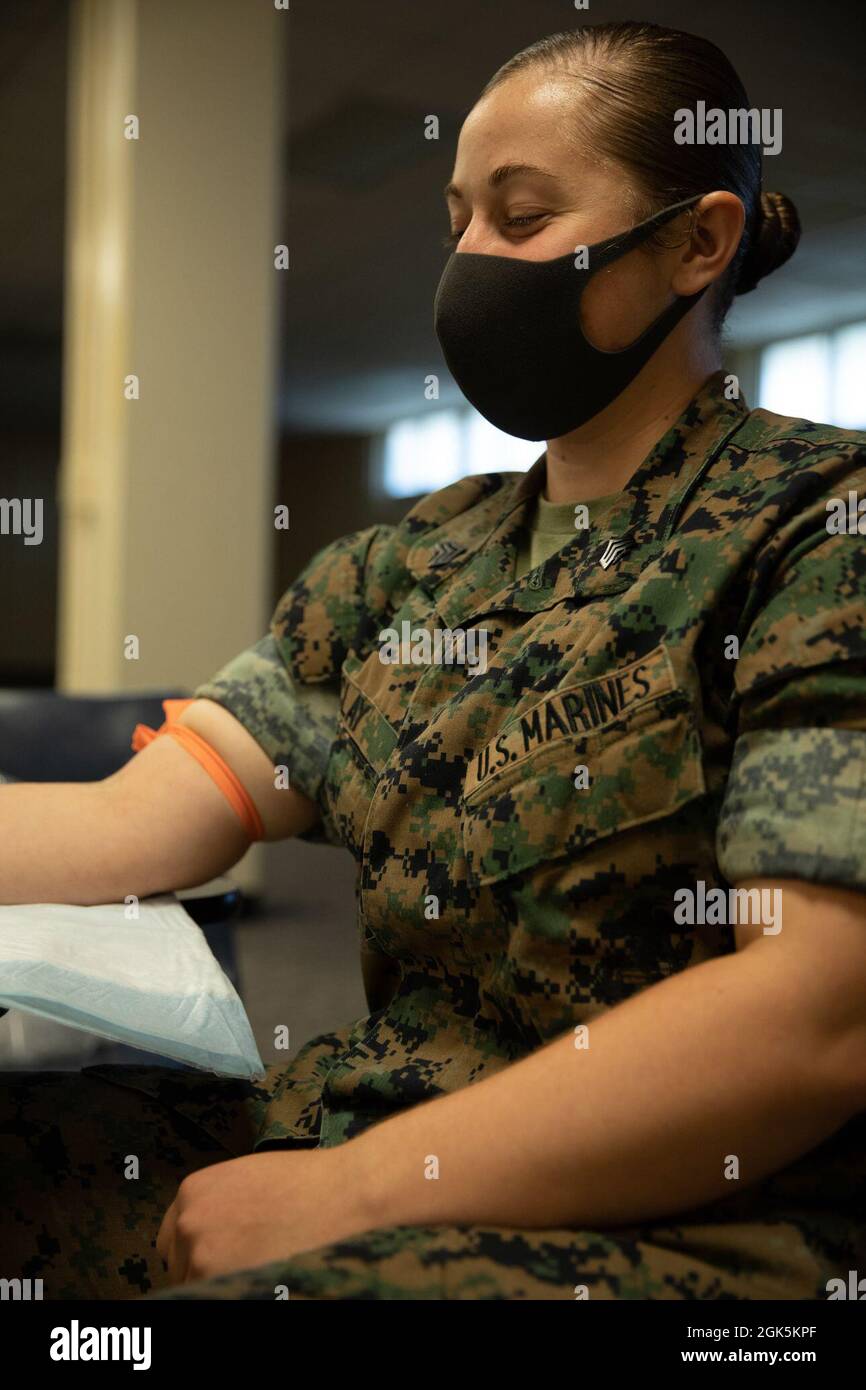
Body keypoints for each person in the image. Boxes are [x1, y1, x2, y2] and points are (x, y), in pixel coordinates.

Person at [2, 19, 865, 1301]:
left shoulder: (814, 526)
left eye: (521, 218)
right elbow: (133, 822)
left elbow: (814, 1016)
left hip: (684, 1219)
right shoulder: (408, 564)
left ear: (698, 242)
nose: (470, 263)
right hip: (364, 1120)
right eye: (458, 217)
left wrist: (351, 1193)